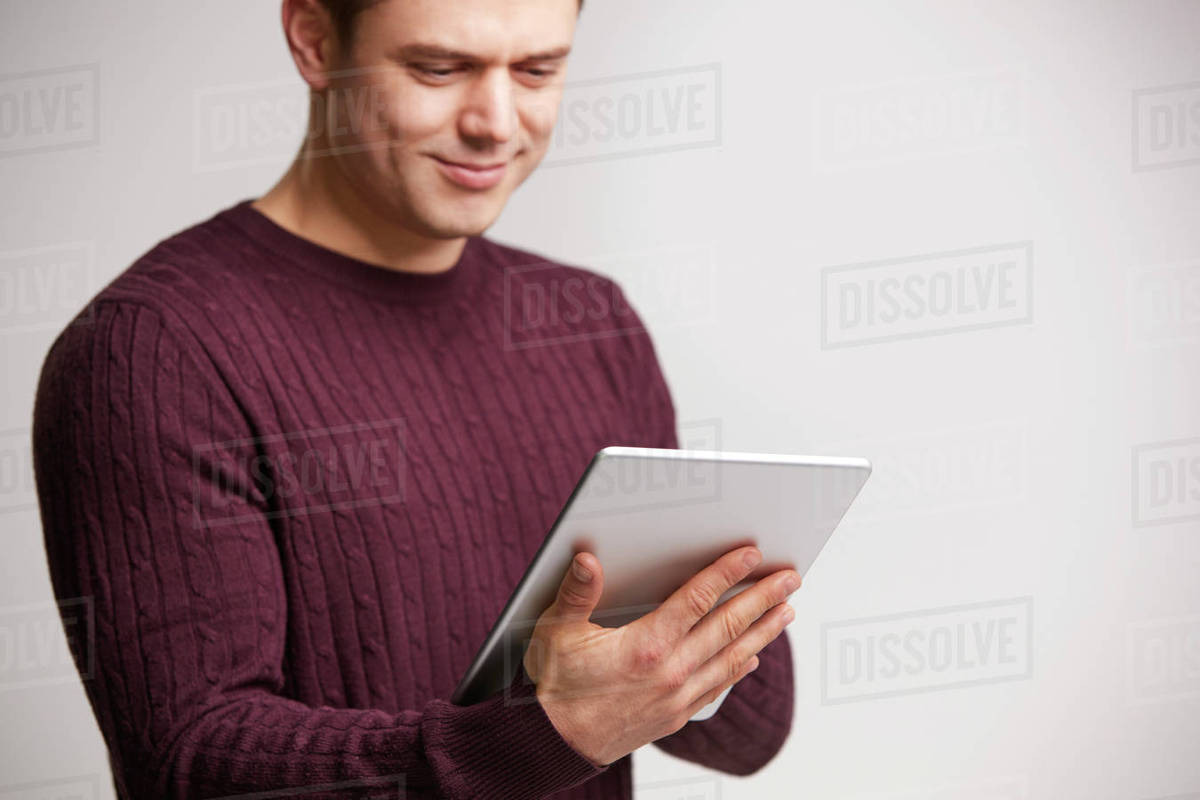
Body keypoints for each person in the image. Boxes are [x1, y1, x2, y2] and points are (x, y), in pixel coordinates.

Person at [30, 0, 797, 797]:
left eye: (537, 70)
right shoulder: (156, 348)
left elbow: (749, 733)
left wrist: (711, 634)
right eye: (439, 69)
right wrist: (549, 733)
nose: (495, 123)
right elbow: (186, 762)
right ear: (314, 40)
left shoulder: (588, 321)